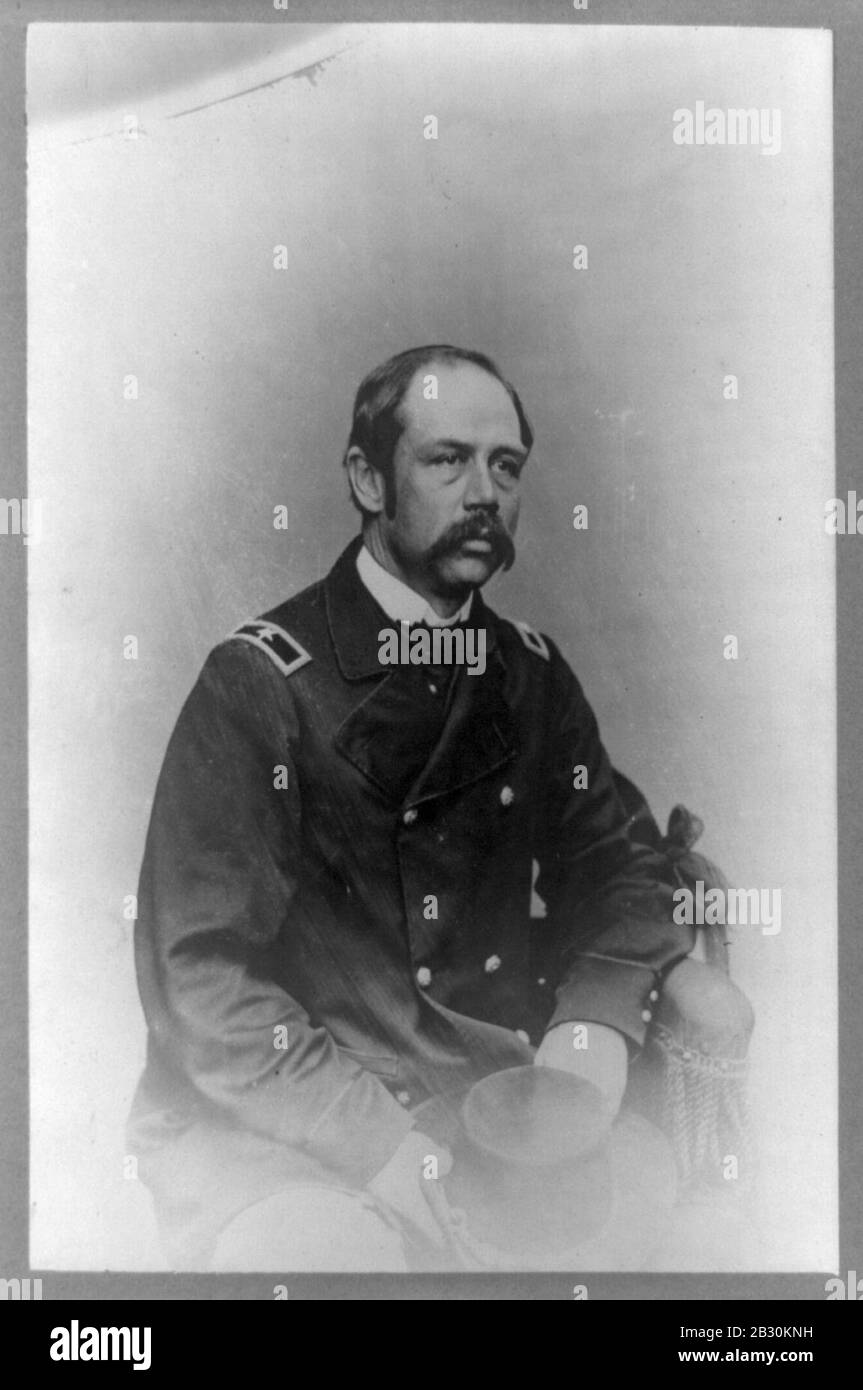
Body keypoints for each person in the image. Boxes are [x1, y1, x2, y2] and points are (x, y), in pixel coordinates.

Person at [129, 344, 753, 1271]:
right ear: (367, 480)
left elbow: (620, 871)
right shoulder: (260, 685)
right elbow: (200, 973)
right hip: (293, 1113)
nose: (483, 494)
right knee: (330, 1261)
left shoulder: (529, 674)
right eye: (446, 459)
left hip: (491, 1093)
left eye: (505, 467)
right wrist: (375, 1145)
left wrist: (590, 1030)